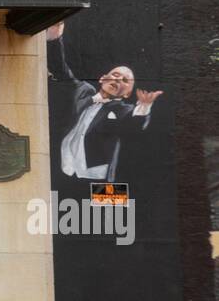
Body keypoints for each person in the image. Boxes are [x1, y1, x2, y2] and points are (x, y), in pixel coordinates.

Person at [46, 20, 163, 191]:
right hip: (62, 171)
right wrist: (55, 36)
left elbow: (134, 124)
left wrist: (144, 107)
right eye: (115, 74)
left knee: (100, 217)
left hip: (97, 181)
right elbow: (61, 70)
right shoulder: (82, 92)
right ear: (102, 78)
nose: (117, 79)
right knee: (56, 214)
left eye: (125, 80)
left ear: (127, 94)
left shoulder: (123, 111)